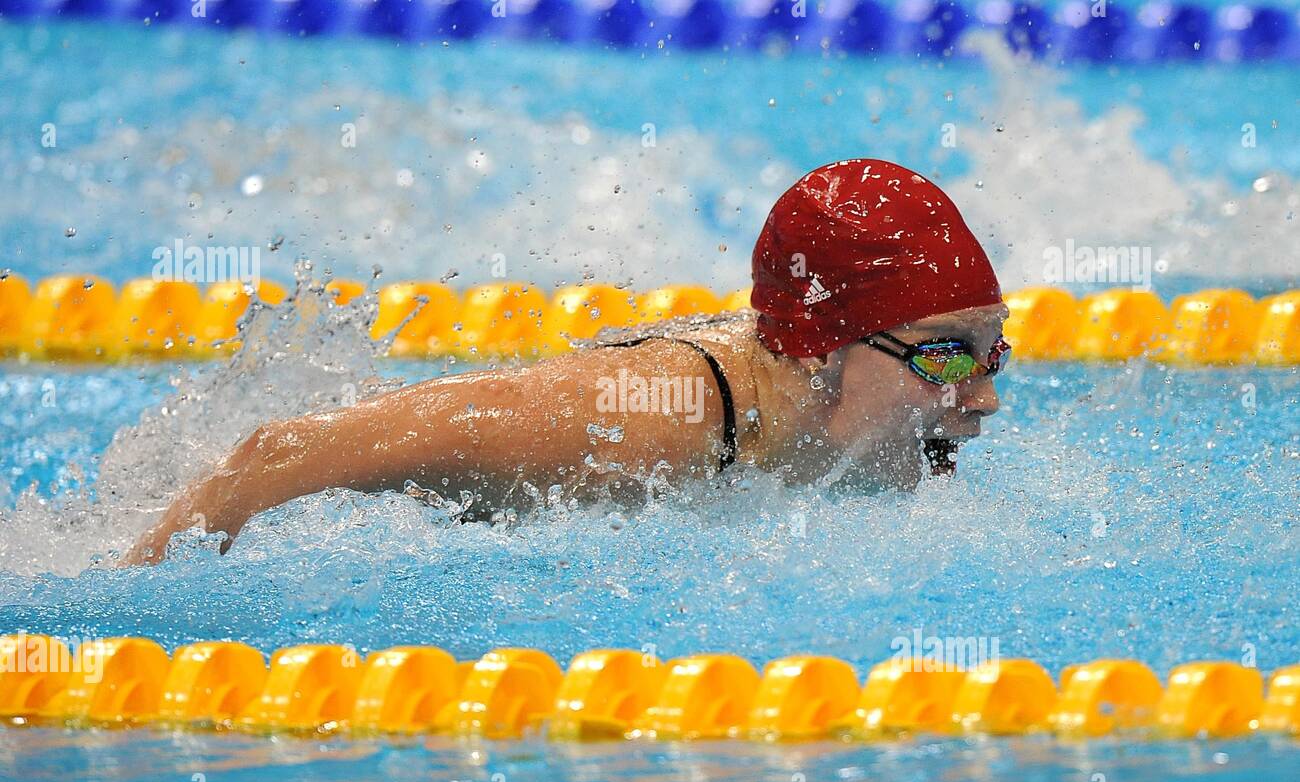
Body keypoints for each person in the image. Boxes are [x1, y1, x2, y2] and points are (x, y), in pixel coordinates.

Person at [121, 158, 1009, 566]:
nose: (984, 396)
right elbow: (273, 453)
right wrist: (129, 609)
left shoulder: (820, 414)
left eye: (993, 350)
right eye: (944, 356)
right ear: (819, 353)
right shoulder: (652, 419)